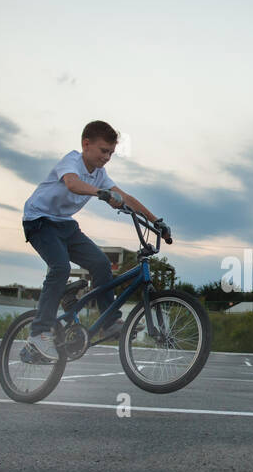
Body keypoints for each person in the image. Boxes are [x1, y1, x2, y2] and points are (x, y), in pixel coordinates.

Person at [21, 120, 163, 361]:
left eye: (111, 153)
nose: (107, 157)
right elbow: (72, 183)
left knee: (100, 264)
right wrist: (101, 194)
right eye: (103, 151)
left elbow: (125, 197)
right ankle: (38, 333)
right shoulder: (72, 161)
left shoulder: (100, 174)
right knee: (60, 267)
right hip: (39, 221)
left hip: (64, 224)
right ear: (86, 145)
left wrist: (156, 221)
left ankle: (108, 322)